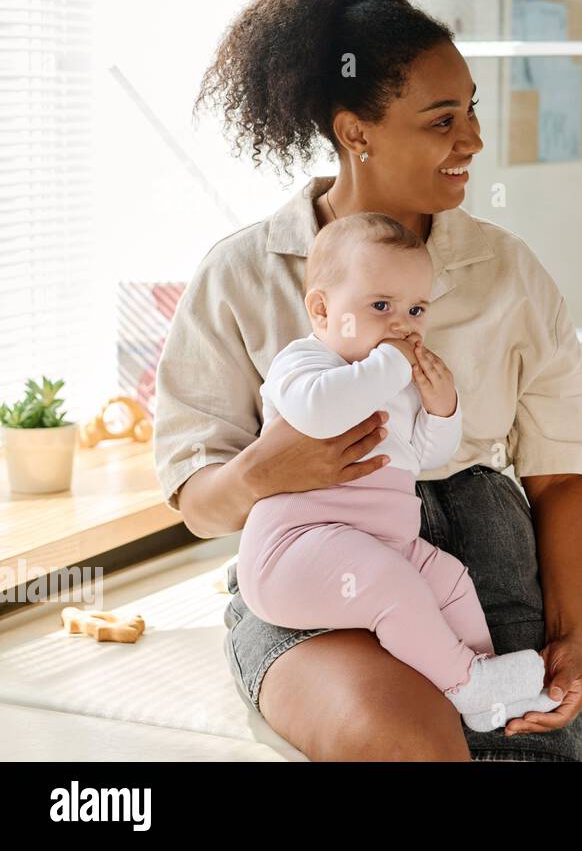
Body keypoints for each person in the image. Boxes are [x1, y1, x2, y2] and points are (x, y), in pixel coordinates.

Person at [154, 0, 582, 761]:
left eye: (472, 111)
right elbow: (199, 502)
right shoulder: (245, 273)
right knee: (410, 743)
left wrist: (572, 637)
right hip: (313, 577)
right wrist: (272, 468)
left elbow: (563, 471)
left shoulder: (509, 272)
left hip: (484, 571)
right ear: (354, 131)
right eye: (442, 121)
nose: (472, 140)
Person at [236, 212, 561, 732]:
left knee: (449, 579)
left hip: (382, 542)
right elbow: (319, 411)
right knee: (390, 582)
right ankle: (464, 679)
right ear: (322, 310)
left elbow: (427, 456)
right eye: (380, 306)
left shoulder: (399, 385)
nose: (402, 325)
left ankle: (480, 688)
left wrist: (440, 406)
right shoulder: (306, 363)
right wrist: (389, 366)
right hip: (293, 549)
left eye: (415, 308)